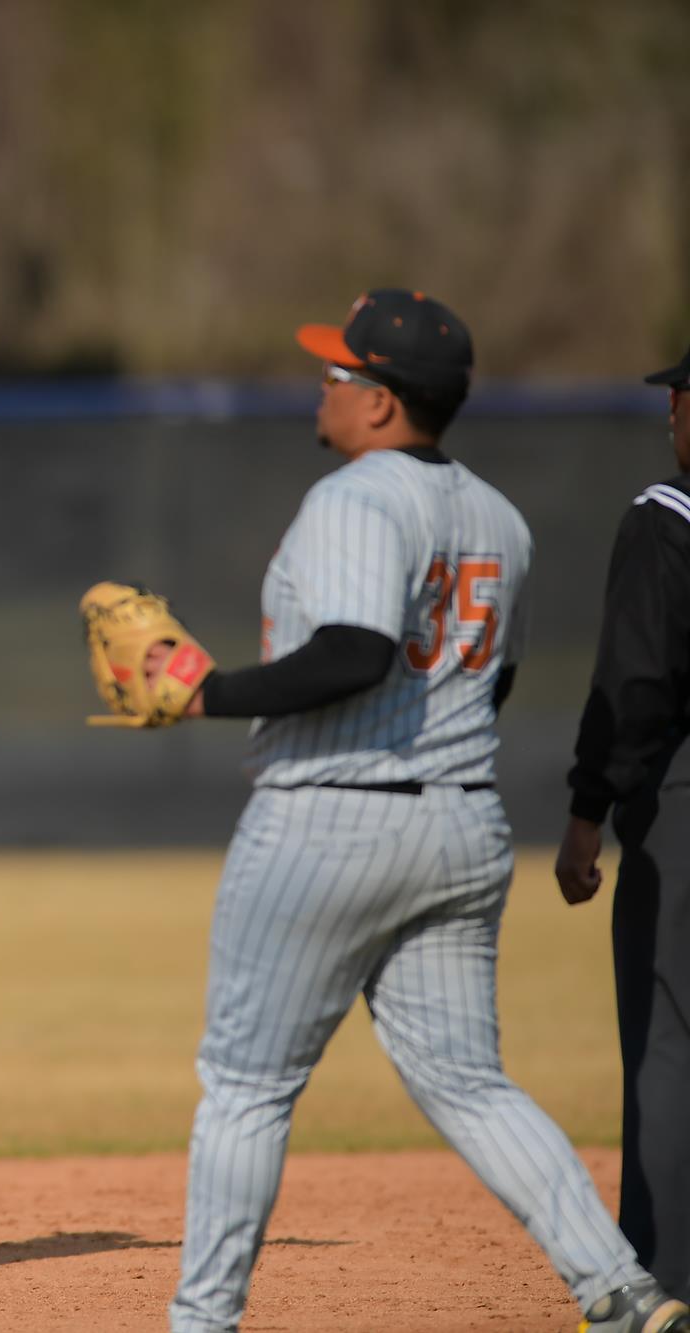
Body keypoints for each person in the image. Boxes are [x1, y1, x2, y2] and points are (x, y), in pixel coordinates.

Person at [130, 290, 688, 1333]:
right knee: (470, 1082)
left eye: (339, 373)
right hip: (459, 826)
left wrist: (200, 692)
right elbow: (494, 686)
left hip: (328, 820)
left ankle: (200, 1323)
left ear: (382, 405)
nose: (323, 387)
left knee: (245, 1086)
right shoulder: (500, 518)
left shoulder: (353, 499)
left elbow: (353, 652)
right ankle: (618, 1288)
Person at [557, 341, 690, 1301]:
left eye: (681, 397)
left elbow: (636, 684)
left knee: (670, 1042)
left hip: (684, 808)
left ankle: (664, 1276)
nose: (672, 413)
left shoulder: (667, 518)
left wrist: (588, 808)